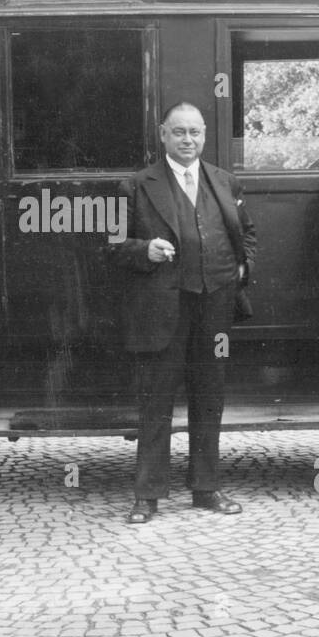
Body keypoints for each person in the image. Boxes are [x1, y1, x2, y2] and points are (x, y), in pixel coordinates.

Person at [109, 102, 256, 524]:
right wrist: (145, 250)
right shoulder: (135, 186)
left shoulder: (225, 181)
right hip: (162, 310)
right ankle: (147, 495)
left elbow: (247, 233)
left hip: (215, 308)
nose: (187, 140)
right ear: (163, 134)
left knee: (209, 398)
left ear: (205, 135)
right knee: (156, 402)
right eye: (179, 132)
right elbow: (112, 244)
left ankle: (206, 489)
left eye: (194, 132)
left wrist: (243, 267)